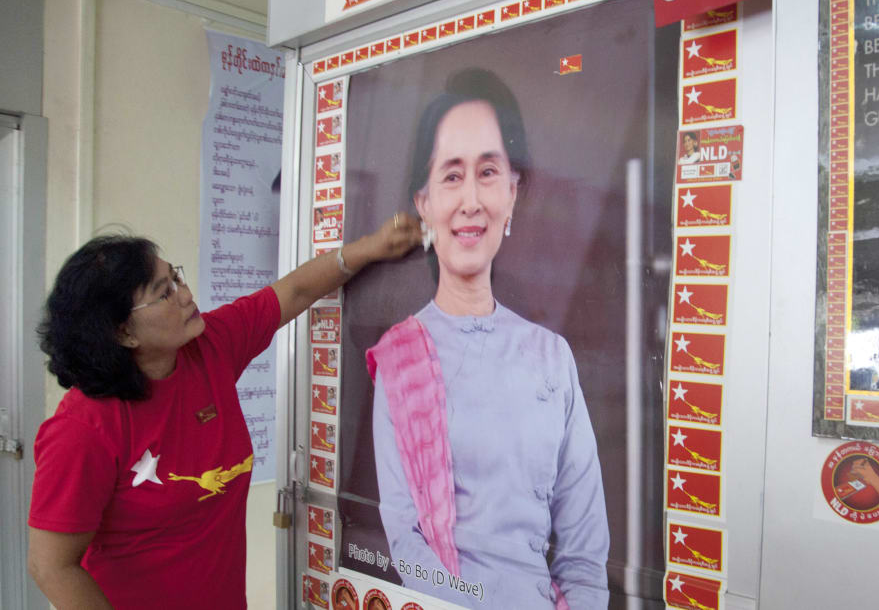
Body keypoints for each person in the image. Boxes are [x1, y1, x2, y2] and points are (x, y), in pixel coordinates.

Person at [26, 216, 420, 609]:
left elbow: (295, 291)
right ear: (122, 332)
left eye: (176, 278)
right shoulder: (83, 429)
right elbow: (51, 567)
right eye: (164, 294)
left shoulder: (209, 348)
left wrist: (373, 247)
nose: (185, 295)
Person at [368, 68, 609, 609]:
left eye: (488, 172)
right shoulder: (400, 361)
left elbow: (585, 553)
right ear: (424, 202)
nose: (472, 200)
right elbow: (407, 545)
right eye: (452, 176)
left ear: (512, 193)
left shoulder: (552, 357)